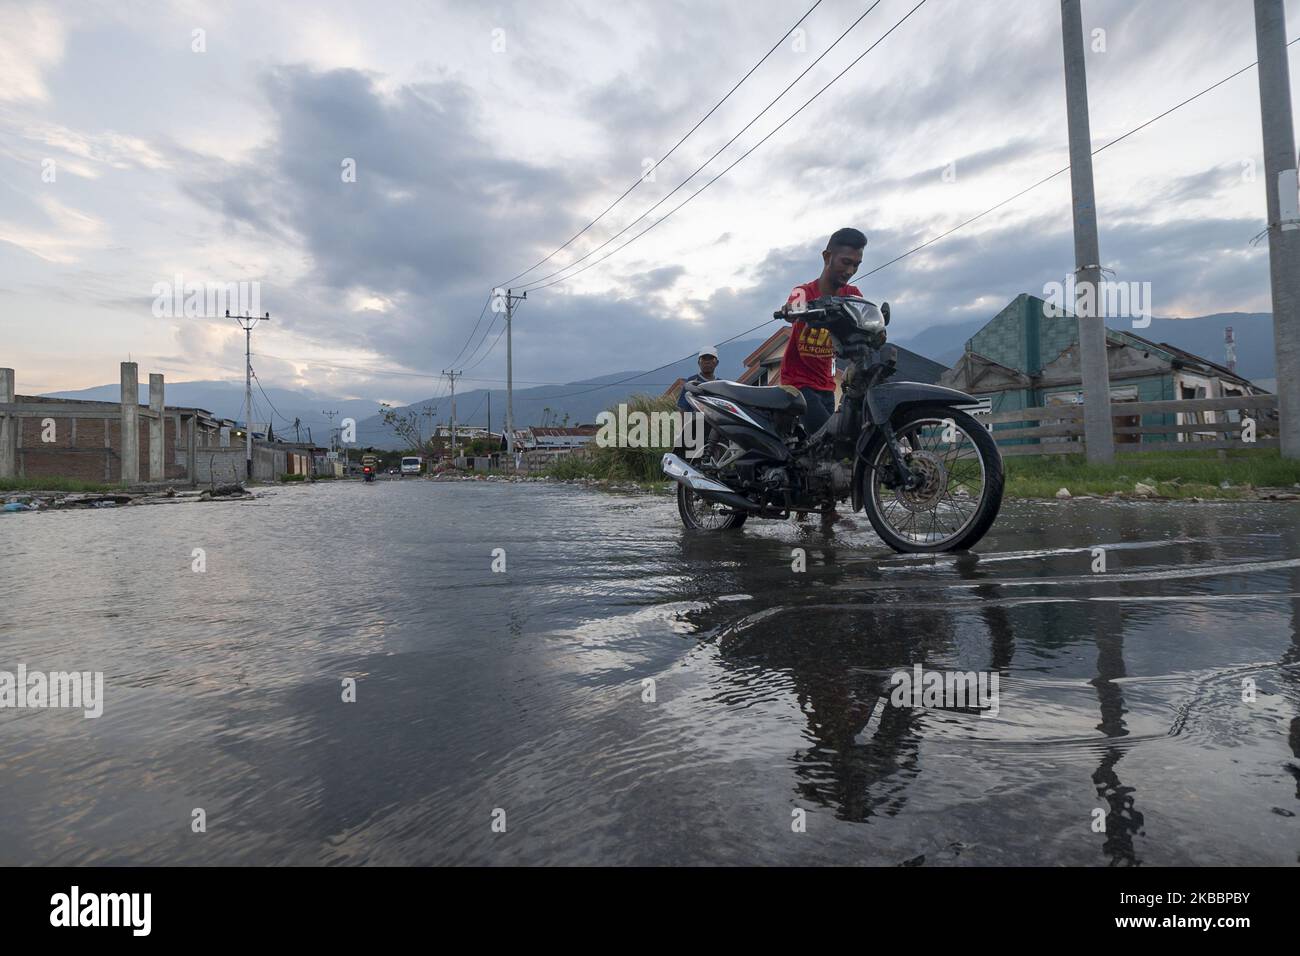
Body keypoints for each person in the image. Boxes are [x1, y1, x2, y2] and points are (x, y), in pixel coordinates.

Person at [777, 227, 866, 439]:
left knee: (826, 445)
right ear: (827, 257)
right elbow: (794, 306)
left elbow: (863, 315)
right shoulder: (804, 292)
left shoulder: (852, 295)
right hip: (798, 383)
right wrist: (792, 310)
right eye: (846, 262)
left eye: (856, 265)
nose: (850, 270)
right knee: (828, 439)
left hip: (826, 384)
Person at [676, 347, 719, 414]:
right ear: (699, 363)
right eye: (703, 359)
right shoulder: (691, 382)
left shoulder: (720, 384)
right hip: (697, 423)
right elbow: (682, 409)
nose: (707, 362)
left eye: (711, 359)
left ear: (716, 363)